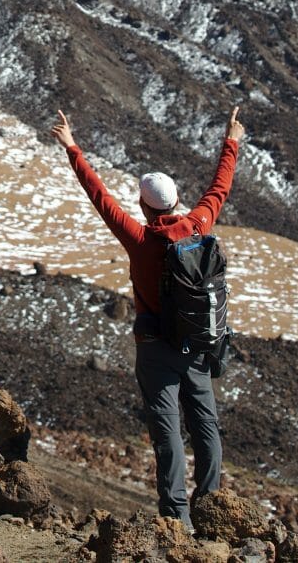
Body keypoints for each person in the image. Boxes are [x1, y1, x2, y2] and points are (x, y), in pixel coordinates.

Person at [49, 106, 245, 527]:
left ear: (144, 206)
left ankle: (177, 519)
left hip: (156, 350)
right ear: (177, 202)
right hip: (196, 345)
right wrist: (231, 141)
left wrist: (72, 148)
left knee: (167, 432)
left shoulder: (139, 239)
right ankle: (210, 504)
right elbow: (219, 187)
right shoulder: (199, 225)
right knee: (205, 426)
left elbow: (99, 195)